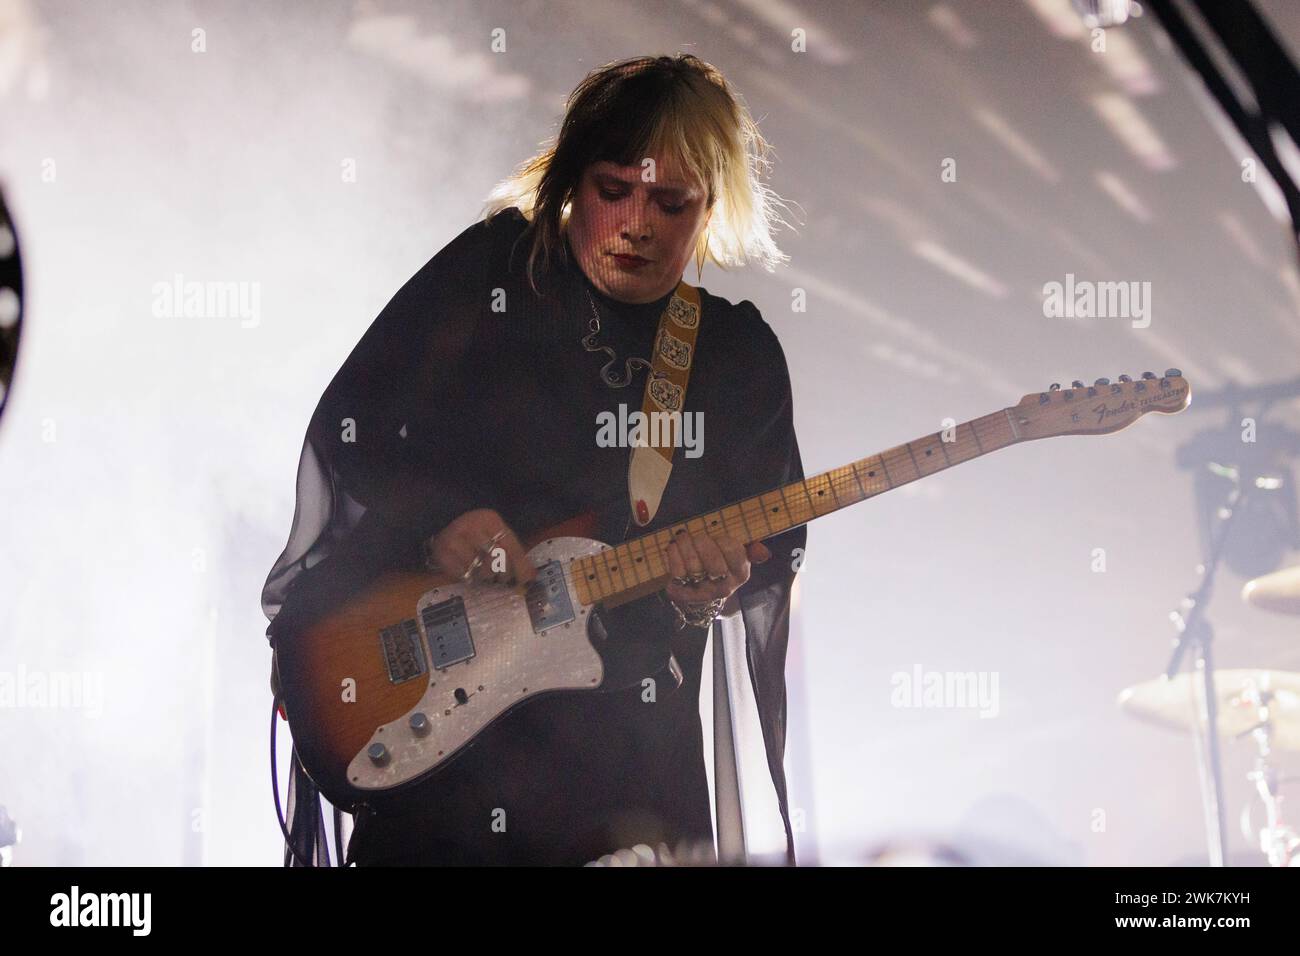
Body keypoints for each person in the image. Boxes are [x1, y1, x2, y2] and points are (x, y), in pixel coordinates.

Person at [261, 53, 807, 866]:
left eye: (671, 202)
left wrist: (708, 589)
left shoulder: (736, 355)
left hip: (622, 752)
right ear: (569, 184)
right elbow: (355, 426)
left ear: (712, 206)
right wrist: (440, 521)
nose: (638, 223)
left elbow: (771, 540)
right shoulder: (493, 274)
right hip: (448, 736)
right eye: (612, 189)